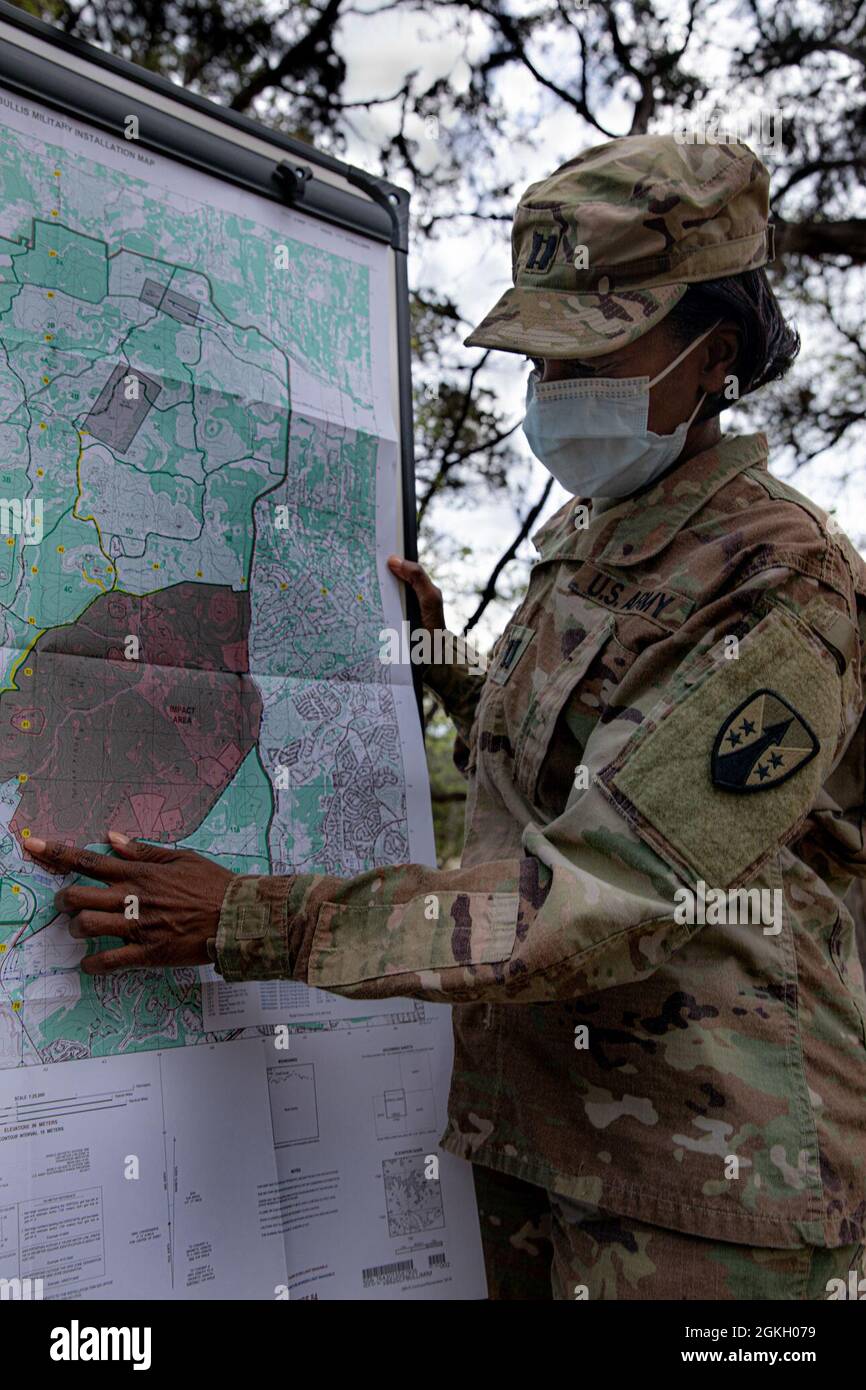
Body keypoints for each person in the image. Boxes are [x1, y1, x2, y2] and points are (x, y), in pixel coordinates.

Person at [26, 134, 866, 1301]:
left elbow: (605, 887)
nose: (554, 396)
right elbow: (575, 756)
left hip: (712, 1185)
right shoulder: (593, 541)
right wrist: (439, 662)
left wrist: (247, 919)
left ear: (709, 354)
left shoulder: (781, 579)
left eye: (589, 357)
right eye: (539, 361)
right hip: (537, 1138)